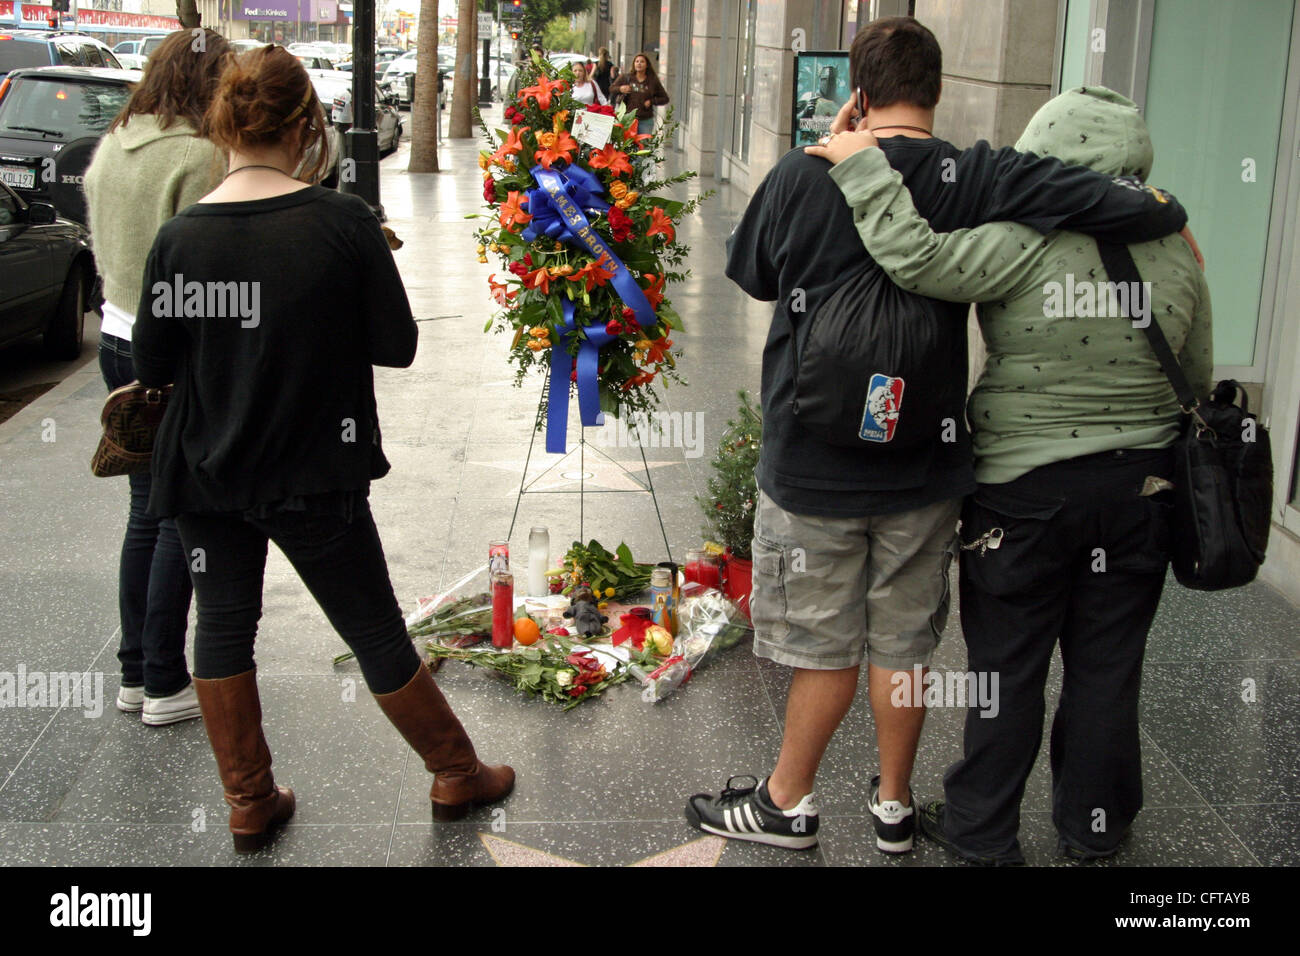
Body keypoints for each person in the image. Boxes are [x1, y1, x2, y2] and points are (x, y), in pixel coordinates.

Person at [684, 16, 1189, 854]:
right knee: (905, 642)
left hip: (813, 466)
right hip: (928, 468)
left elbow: (757, 273)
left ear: (859, 91)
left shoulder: (798, 174)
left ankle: (788, 802)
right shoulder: (977, 176)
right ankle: (892, 806)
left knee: (822, 645)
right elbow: (1084, 194)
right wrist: (1162, 212)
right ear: (939, 92)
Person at [130, 46, 514, 853]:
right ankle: (454, 772)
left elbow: (155, 366)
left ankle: (248, 801)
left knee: (224, 627)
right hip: (315, 468)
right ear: (309, 126)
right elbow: (396, 345)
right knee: (373, 626)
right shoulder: (340, 222)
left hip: (206, 471)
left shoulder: (179, 239)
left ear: (221, 126)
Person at [815, 85, 1211, 864]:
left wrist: (862, 166)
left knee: (1005, 672)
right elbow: (1194, 376)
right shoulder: (1181, 245)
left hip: (1025, 499)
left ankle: (983, 832)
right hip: (1143, 495)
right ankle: (1093, 829)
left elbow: (918, 259)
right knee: (1107, 670)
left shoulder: (1027, 233)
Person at [83, 28, 232, 727]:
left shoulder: (116, 140)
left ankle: (136, 674)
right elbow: (206, 263)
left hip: (116, 341)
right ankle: (167, 681)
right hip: (175, 350)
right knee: (178, 512)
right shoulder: (200, 156)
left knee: (145, 510)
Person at [610, 52, 668, 139]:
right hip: (628, 119)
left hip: (645, 120)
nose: (639, 63)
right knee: (628, 147)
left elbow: (665, 98)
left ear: (647, 65)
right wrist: (621, 89)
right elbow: (611, 88)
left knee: (643, 147)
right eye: (637, 61)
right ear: (634, 64)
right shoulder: (626, 77)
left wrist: (651, 101)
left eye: (642, 61)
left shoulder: (652, 80)